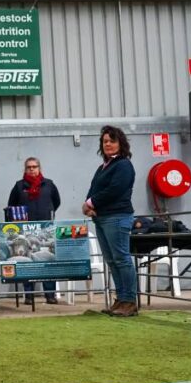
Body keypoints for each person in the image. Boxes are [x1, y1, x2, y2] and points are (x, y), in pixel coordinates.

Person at [82, 125, 138, 317]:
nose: (108, 144)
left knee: (122, 259)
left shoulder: (123, 165)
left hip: (117, 217)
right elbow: (94, 187)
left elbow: (115, 189)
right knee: (113, 261)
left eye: (112, 141)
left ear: (120, 143)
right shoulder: (103, 167)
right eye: (105, 141)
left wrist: (90, 202)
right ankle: (121, 299)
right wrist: (89, 205)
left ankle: (129, 301)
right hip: (102, 218)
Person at [6, 157, 61, 305]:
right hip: (25, 230)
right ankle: (29, 296)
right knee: (27, 261)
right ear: (25, 169)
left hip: (46, 229)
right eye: (29, 167)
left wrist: (47, 214)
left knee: (48, 261)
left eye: (34, 166)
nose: (32, 169)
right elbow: (11, 205)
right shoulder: (19, 186)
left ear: (39, 168)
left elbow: (56, 202)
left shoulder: (49, 184)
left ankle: (50, 295)